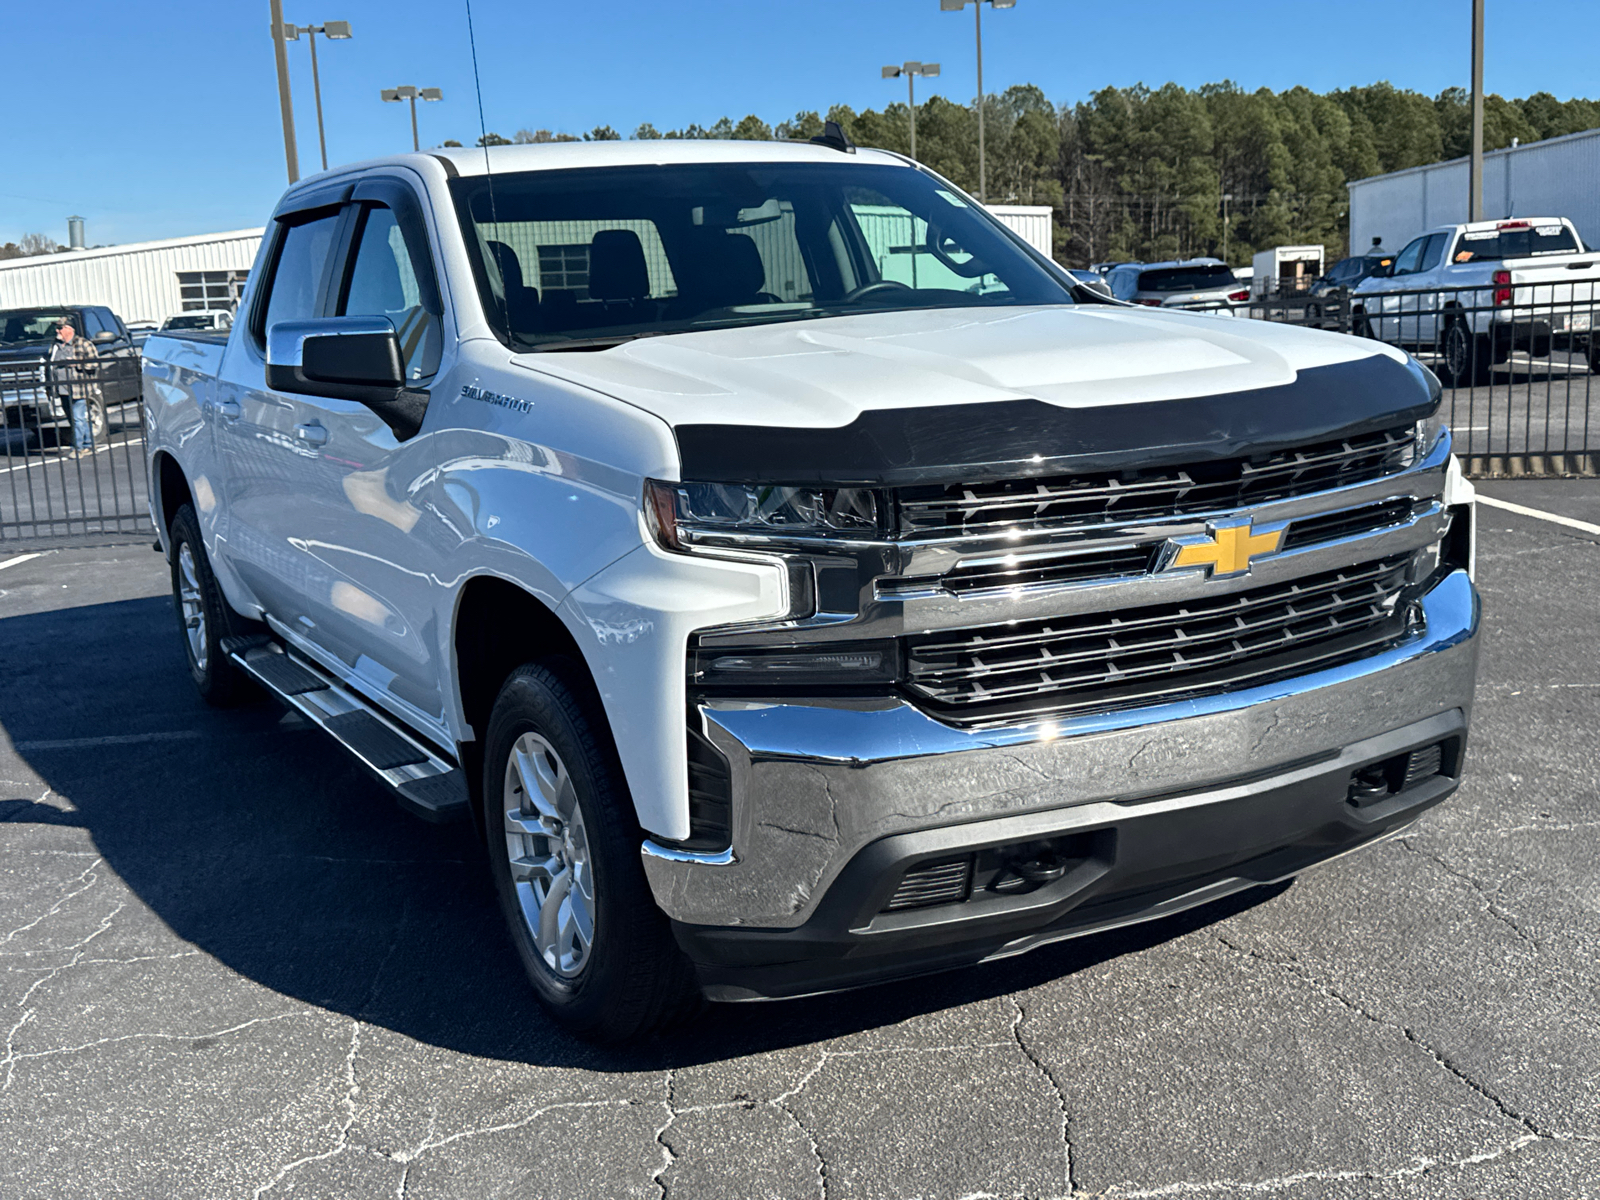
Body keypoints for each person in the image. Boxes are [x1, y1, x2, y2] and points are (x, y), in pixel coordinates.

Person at [48, 316, 99, 458]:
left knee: (77, 418)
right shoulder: (55, 345)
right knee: (74, 418)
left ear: (69, 329)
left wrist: (77, 363)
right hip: (62, 389)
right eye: (57, 328)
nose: (57, 331)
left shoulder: (83, 344)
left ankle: (78, 448)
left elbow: (94, 363)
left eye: (60, 328)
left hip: (78, 389)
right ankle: (89, 445)